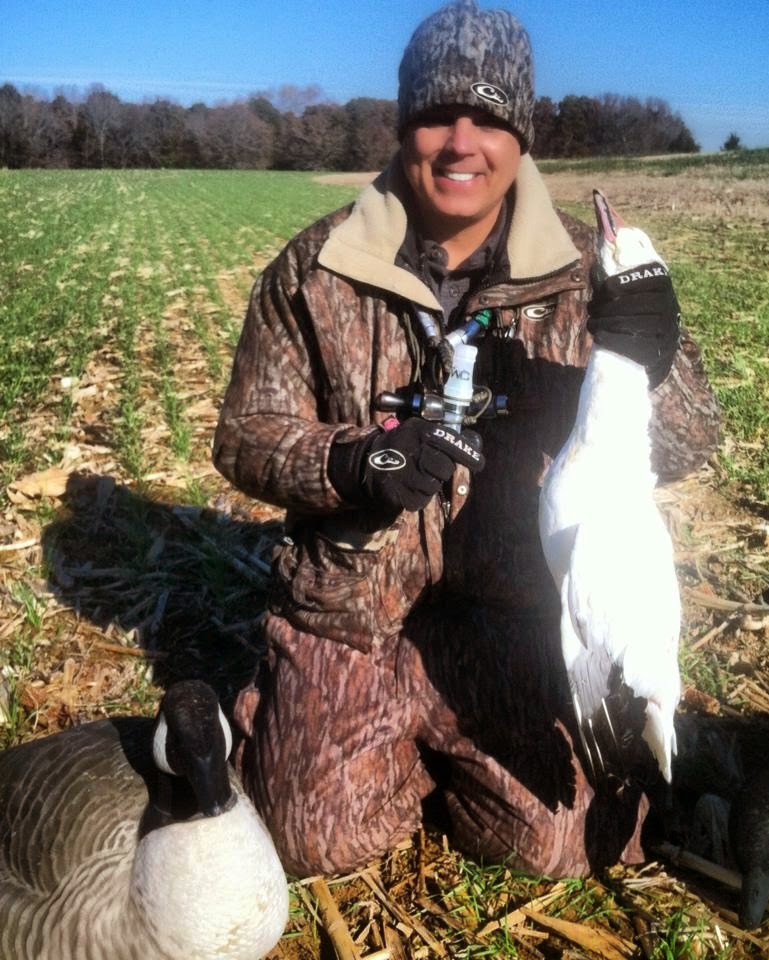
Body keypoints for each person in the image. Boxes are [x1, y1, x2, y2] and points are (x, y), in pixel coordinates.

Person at [213, 0, 720, 879]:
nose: (461, 142)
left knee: (559, 845)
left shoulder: (585, 273)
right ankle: (313, 713)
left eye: (488, 117)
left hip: (511, 616)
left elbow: (686, 442)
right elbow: (243, 439)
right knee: (309, 837)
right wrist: (349, 462)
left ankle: (422, 743)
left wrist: (652, 359)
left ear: (521, 136)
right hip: (354, 615)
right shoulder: (318, 267)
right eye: (438, 114)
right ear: (404, 125)